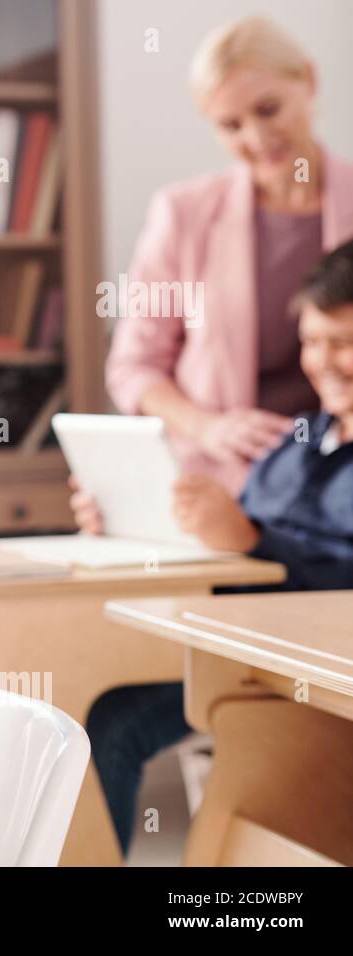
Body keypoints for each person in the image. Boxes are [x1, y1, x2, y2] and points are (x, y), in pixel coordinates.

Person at [76, 236, 353, 855]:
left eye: (343, 342)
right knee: (83, 707)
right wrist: (128, 519)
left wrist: (255, 540)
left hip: (298, 682)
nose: (323, 361)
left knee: (111, 725)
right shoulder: (296, 443)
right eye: (312, 341)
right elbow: (224, 554)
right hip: (228, 655)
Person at [106, 16, 353, 496]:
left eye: (268, 109)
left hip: (339, 487)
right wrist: (206, 427)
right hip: (221, 482)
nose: (257, 139)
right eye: (231, 125)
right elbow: (134, 367)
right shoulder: (182, 215)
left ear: (308, 80)